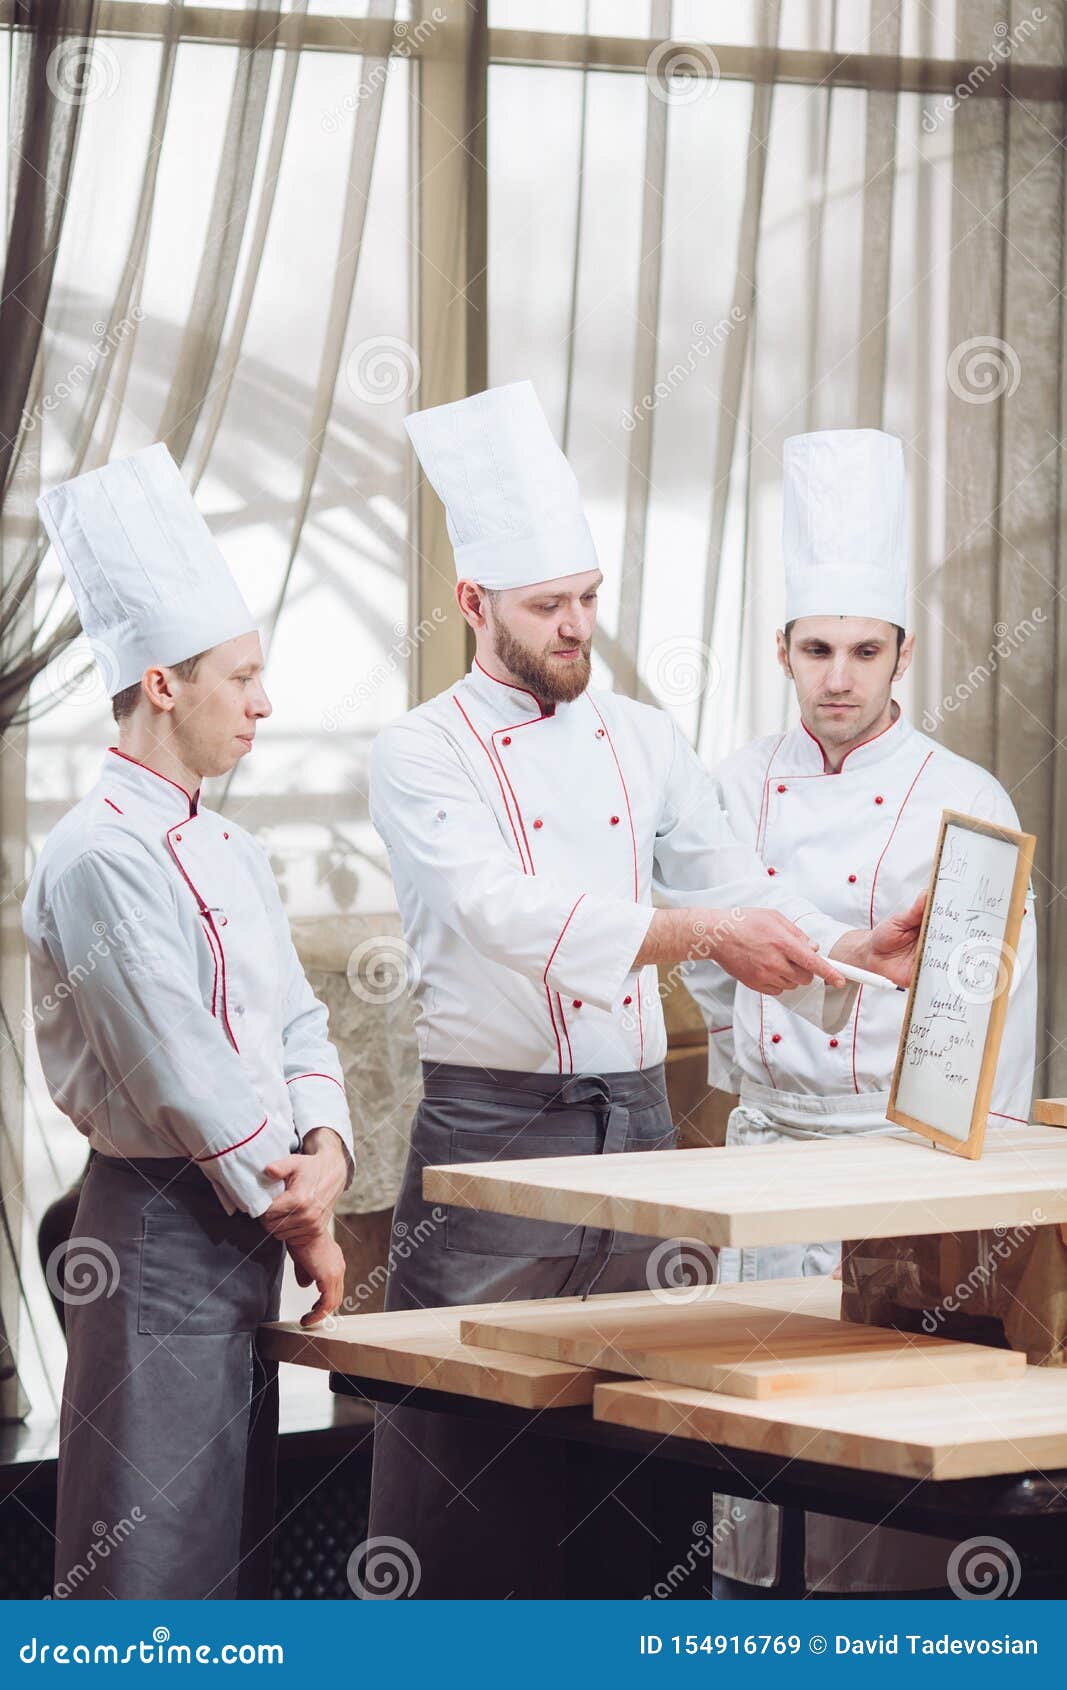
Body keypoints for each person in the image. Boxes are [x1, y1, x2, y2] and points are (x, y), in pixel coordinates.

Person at [364, 383, 927, 1598]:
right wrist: (700, 932)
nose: (575, 627)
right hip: (492, 1131)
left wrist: (844, 948)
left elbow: (734, 878)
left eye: (586, 601)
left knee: (644, 1456)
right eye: (545, 607)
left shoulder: (642, 738)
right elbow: (499, 911)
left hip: (637, 1128)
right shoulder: (417, 752)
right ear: (472, 604)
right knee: (461, 1456)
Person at [682, 427, 1037, 1598]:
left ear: (903, 654)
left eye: (864, 651)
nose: (839, 676)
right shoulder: (726, 788)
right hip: (764, 1163)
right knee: (744, 1484)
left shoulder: (961, 802)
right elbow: (705, 961)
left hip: (896, 1182)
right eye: (817, 649)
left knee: (872, 1504)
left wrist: (968, 1220)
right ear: (781, 650)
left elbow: (988, 1028)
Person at [23, 444, 356, 1599]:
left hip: (243, 1228)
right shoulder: (96, 855)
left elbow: (301, 1021)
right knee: (146, 1556)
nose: (266, 704)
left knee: (227, 1550)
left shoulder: (232, 844)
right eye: (242, 676)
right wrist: (303, 1219)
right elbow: (180, 1068)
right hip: (156, 1232)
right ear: (162, 682)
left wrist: (327, 1151)